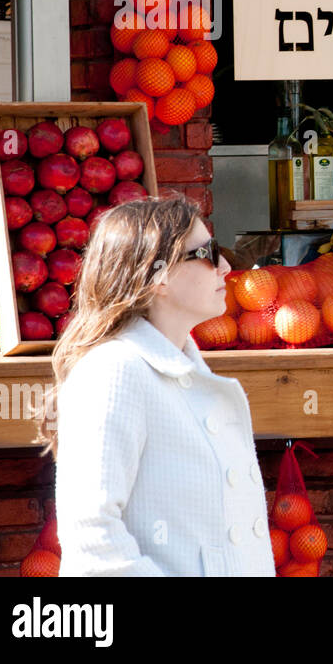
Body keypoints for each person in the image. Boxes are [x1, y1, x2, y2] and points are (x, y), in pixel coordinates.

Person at [37, 196, 275, 576]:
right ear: (158, 275)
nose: (226, 266)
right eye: (207, 252)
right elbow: (92, 535)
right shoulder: (114, 370)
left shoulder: (182, 369)